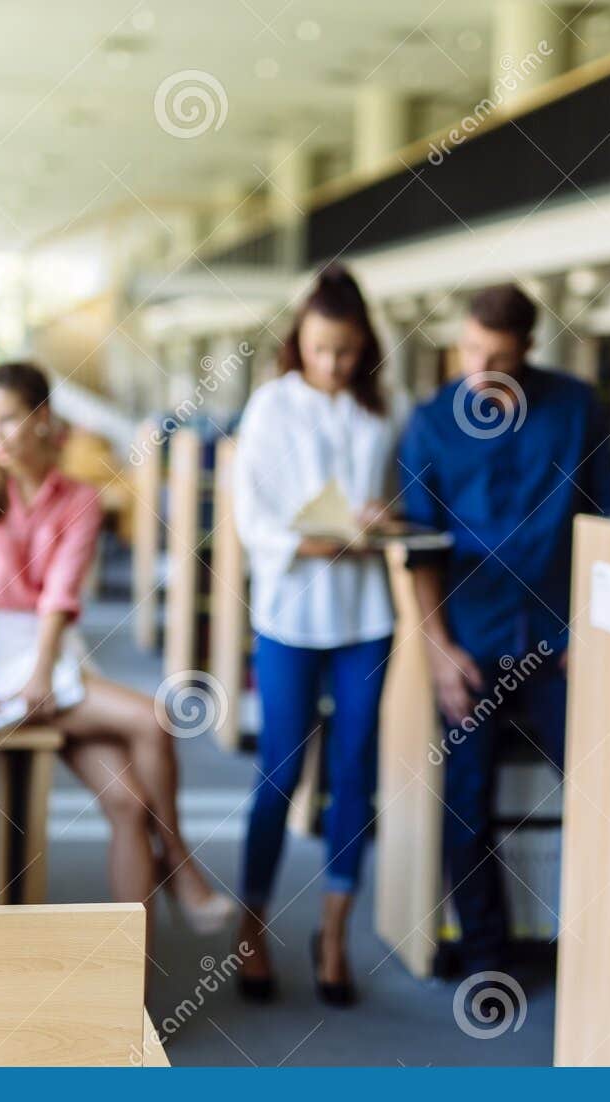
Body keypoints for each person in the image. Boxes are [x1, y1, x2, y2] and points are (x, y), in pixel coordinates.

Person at [0, 361, 234, 932]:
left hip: (50, 655)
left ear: (41, 419)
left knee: (127, 804)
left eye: (7, 420)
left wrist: (44, 671)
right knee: (153, 720)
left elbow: (59, 596)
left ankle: (135, 987)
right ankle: (179, 863)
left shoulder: (79, 498)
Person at [397, 283, 610, 979]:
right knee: (466, 804)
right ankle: (488, 958)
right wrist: (438, 650)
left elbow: (608, 526)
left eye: (495, 355)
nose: (478, 369)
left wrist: (592, 633)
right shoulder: (430, 422)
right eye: (469, 350)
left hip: (558, 643)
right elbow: (419, 550)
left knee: (605, 792)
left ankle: (603, 952)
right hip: (470, 639)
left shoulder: (578, 408)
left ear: (526, 347)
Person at [230, 266, 397, 1005]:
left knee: (355, 774)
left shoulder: (379, 412)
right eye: (322, 348)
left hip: (365, 614)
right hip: (290, 613)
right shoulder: (269, 406)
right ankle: (251, 924)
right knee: (280, 772)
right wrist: (308, 541)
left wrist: (379, 518)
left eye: (348, 350)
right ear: (297, 341)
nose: (334, 364)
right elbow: (249, 516)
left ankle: (333, 932)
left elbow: (399, 500)